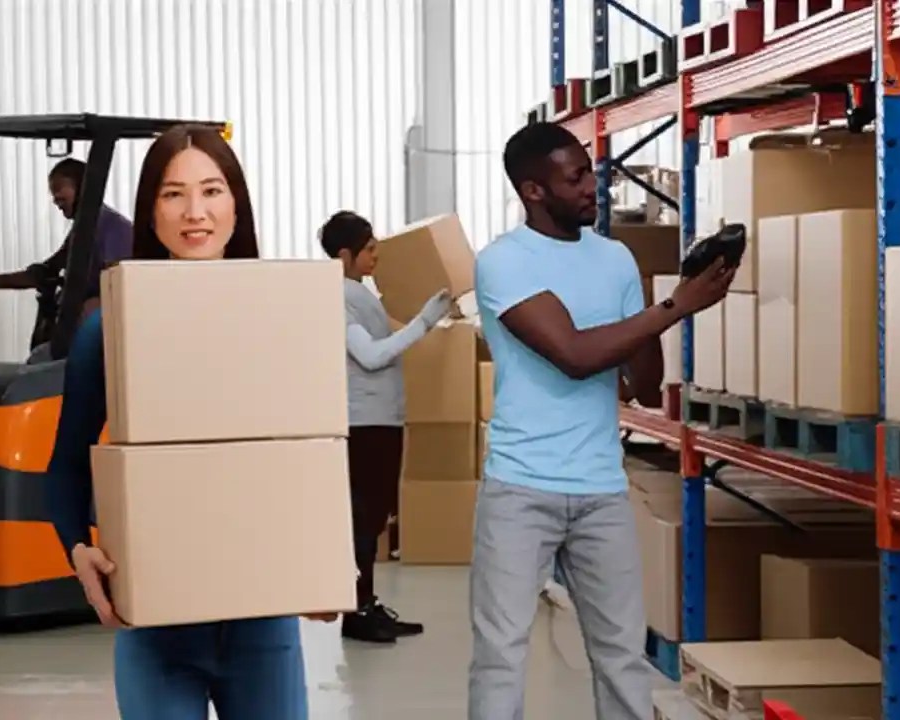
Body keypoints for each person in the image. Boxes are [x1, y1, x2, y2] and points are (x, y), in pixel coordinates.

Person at [43, 125, 321, 720]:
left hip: (260, 621)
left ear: (236, 202)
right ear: (150, 209)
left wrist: (324, 559)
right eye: (173, 194)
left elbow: (312, 455)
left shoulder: (282, 318)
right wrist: (77, 550)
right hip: (155, 622)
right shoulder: (110, 328)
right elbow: (66, 463)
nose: (195, 212)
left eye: (212, 190)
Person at [467, 122, 733, 719]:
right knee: (501, 653)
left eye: (591, 171)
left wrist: (655, 302)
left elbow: (639, 384)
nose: (595, 186)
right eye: (577, 177)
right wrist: (675, 306)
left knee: (620, 654)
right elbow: (575, 355)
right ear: (533, 191)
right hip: (520, 487)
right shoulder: (503, 263)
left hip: (600, 489)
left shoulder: (615, 258)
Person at [318, 210, 451, 644]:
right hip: (364, 425)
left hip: (383, 421)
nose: (378, 254)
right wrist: (424, 323)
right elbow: (372, 356)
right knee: (362, 521)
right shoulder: (335, 297)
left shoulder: (360, 293)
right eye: (369, 248)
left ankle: (368, 604)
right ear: (345, 255)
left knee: (372, 521)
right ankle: (356, 612)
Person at [0, 158, 134, 349]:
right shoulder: (83, 229)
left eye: (60, 190)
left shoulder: (113, 229)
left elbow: (120, 287)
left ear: (84, 188)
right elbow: (48, 270)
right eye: (53, 191)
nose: (55, 199)